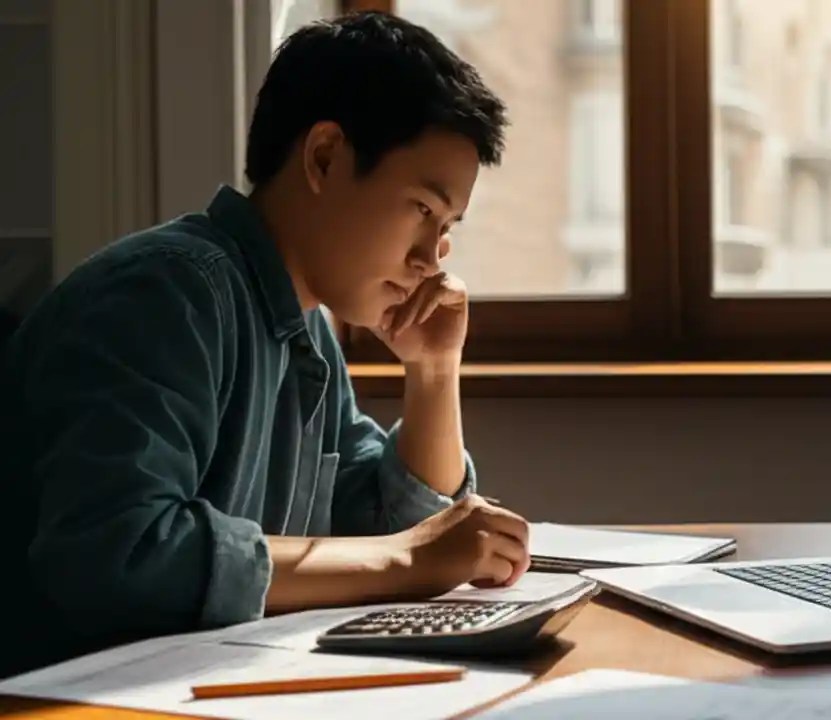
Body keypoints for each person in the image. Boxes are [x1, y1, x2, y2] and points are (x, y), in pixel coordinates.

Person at [0, 11, 530, 678]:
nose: (433, 257)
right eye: (423, 209)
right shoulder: (168, 294)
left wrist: (433, 371)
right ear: (325, 157)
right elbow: (116, 552)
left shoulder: (302, 323)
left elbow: (374, 532)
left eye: (448, 225)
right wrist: (408, 559)